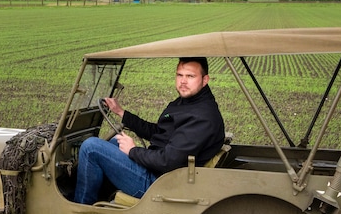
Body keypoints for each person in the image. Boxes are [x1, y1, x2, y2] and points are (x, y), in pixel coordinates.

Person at [73, 57, 226, 205]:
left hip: (159, 184)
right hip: (162, 173)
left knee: (91, 147)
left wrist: (133, 151)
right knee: (114, 142)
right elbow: (159, 133)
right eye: (180, 75)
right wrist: (121, 113)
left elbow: (168, 161)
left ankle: (80, 210)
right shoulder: (187, 103)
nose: (183, 81)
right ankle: (103, 200)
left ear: (205, 80)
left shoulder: (202, 117)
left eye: (190, 76)